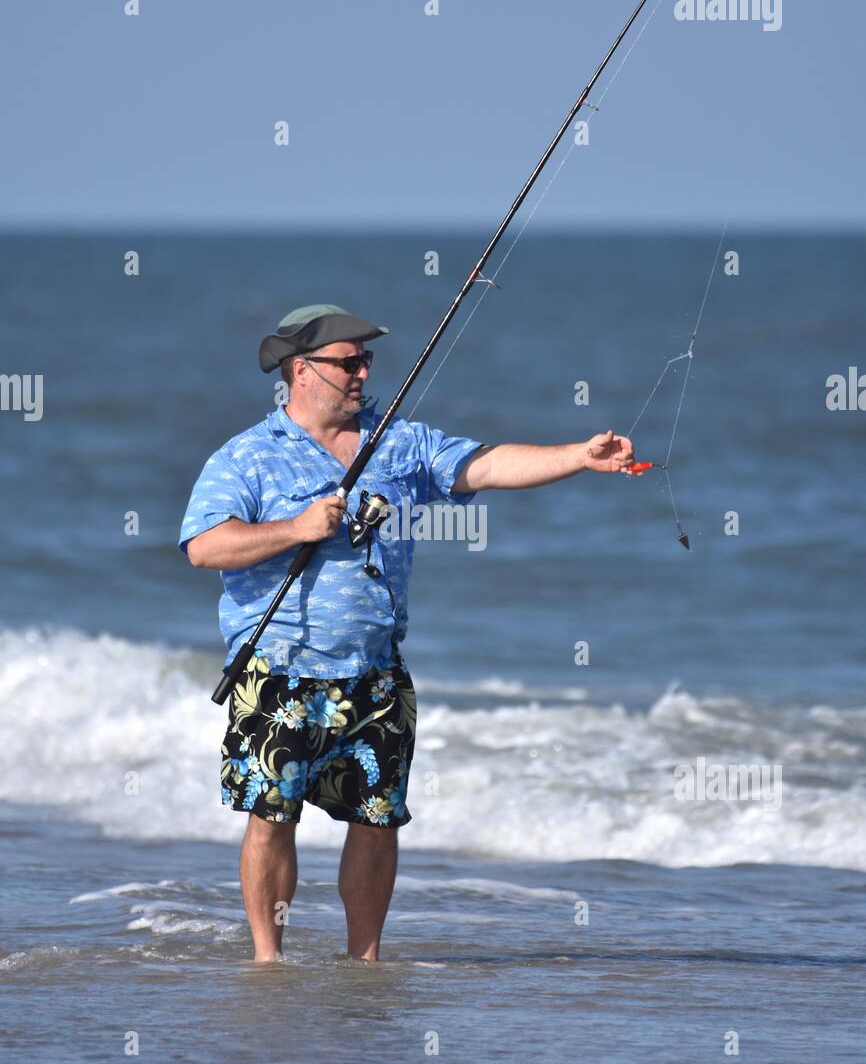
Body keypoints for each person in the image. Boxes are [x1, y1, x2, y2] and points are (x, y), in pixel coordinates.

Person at [179, 303, 641, 963]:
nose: (364, 371)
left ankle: (363, 958)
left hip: (376, 674)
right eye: (349, 361)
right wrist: (297, 529)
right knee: (272, 815)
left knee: (376, 822)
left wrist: (579, 456)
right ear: (300, 371)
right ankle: (267, 959)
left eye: (367, 359)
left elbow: (483, 466)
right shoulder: (247, 457)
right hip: (278, 671)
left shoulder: (398, 441)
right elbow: (204, 546)